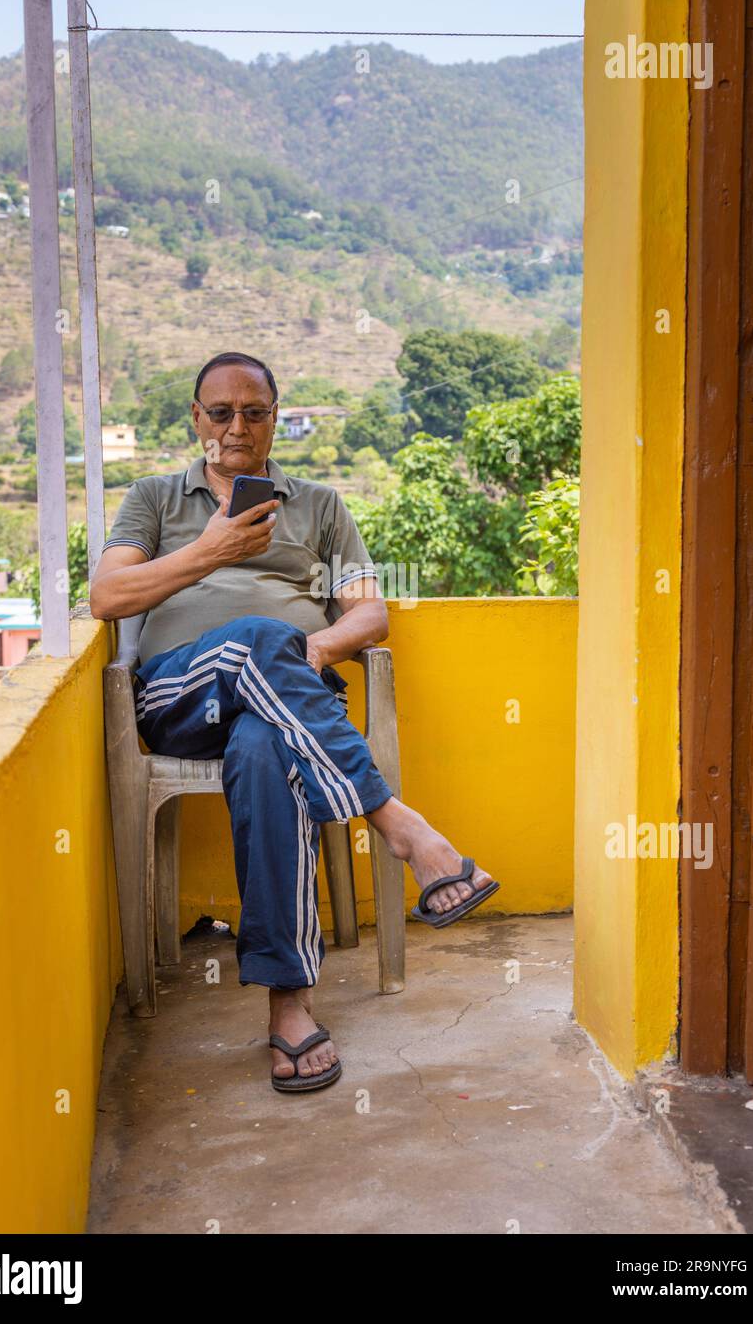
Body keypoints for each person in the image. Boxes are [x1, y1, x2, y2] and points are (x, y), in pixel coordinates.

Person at [91, 351, 498, 1092]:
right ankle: (401, 826)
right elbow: (108, 597)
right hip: (182, 695)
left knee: (266, 746)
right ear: (197, 419)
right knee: (255, 641)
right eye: (220, 412)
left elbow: (368, 612)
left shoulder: (318, 506)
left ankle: (290, 1008)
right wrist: (207, 552)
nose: (237, 426)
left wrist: (314, 645)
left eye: (254, 412)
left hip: (287, 702)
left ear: (275, 419)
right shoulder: (155, 498)